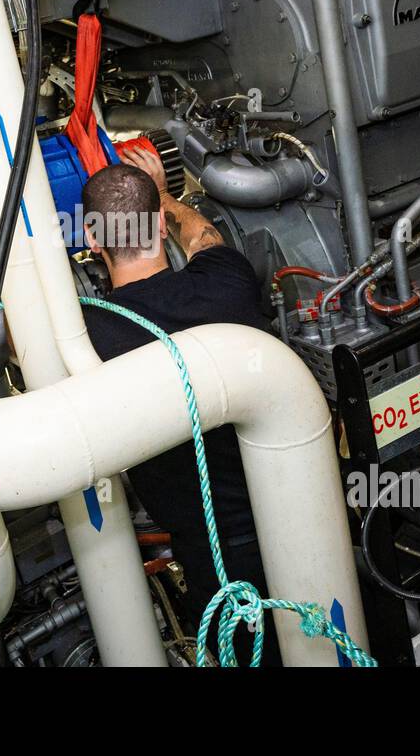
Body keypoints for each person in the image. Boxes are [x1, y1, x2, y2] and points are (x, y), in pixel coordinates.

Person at [79, 148, 281, 665]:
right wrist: (167, 197)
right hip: (291, 517)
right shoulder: (226, 282)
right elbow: (204, 238)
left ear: (91, 239)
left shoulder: (85, 335)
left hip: (211, 554)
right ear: (155, 228)